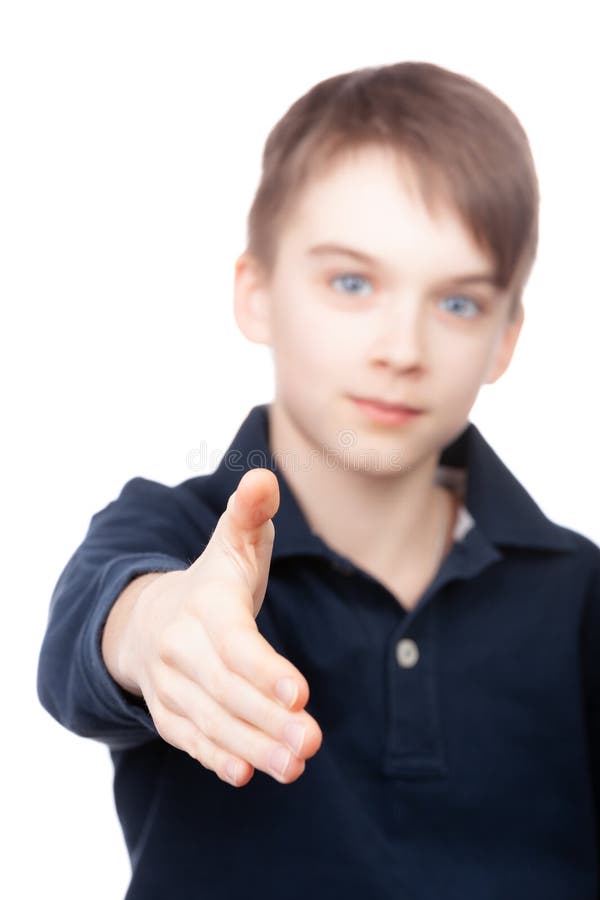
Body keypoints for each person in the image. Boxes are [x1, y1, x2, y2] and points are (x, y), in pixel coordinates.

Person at [37, 61, 600, 899]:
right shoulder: (171, 534)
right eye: (351, 282)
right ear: (257, 293)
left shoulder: (580, 593)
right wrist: (159, 630)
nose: (401, 347)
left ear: (504, 340)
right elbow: (99, 629)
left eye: (457, 303)